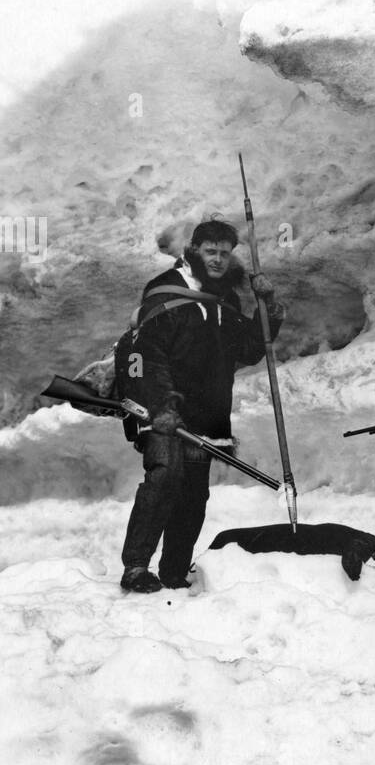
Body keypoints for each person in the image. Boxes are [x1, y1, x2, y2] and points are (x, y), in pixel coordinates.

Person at [120, 219, 284, 592]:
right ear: (194, 251)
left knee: (194, 496)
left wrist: (267, 306)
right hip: (163, 412)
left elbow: (249, 348)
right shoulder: (165, 289)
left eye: (225, 253)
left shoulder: (225, 300)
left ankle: (174, 573)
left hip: (207, 415)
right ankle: (135, 568)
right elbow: (147, 352)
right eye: (211, 251)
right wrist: (161, 405)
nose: (218, 260)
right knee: (164, 478)